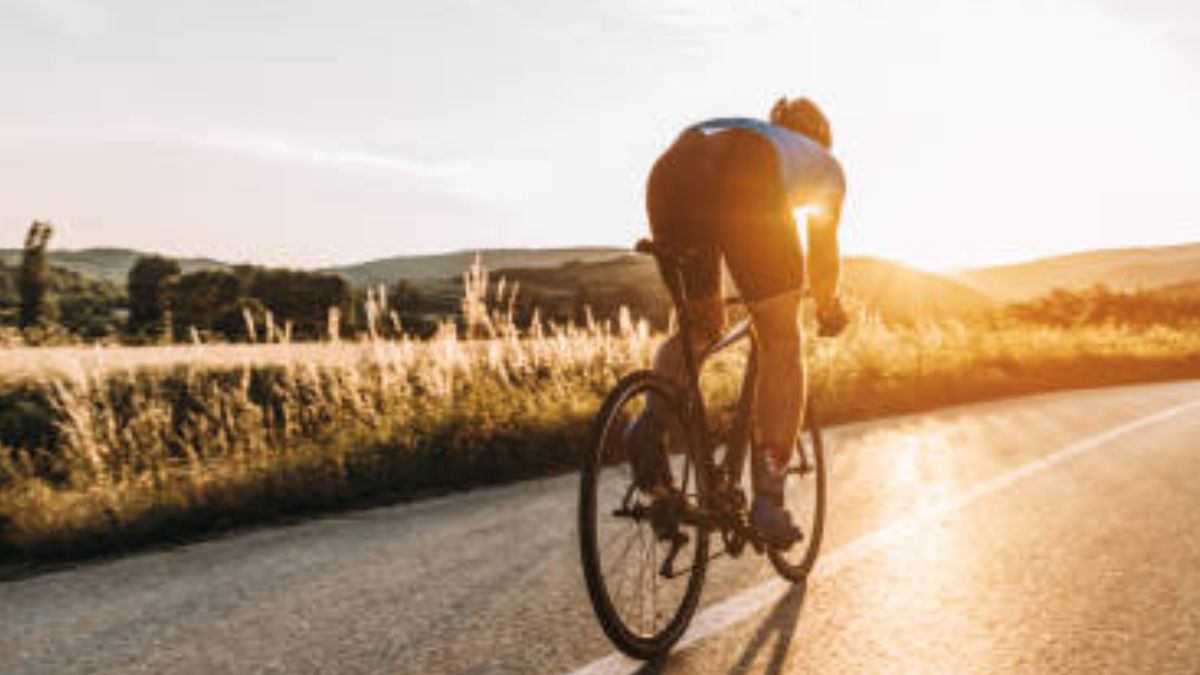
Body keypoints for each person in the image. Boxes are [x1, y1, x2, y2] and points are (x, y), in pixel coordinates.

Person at [626, 96, 848, 549]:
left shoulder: (744, 127)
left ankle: (650, 422)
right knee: (782, 340)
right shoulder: (824, 163)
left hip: (670, 173)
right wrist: (828, 306)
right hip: (749, 178)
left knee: (699, 330)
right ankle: (768, 500)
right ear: (821, 137)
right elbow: (823, 253)